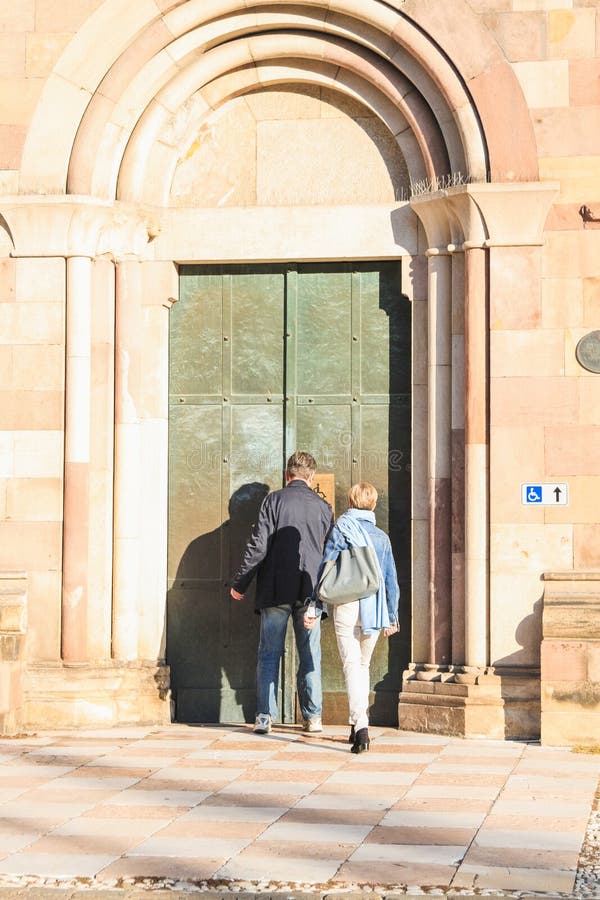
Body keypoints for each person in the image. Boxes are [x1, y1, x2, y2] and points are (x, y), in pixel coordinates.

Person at [230, 451, 333, 735]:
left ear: (287, 475)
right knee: (310, 653)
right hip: (311, 589)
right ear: (311, 478)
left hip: (275, 590)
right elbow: (330, 553)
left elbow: (258, 546)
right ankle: (313, 718)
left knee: (268, 653)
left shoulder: (273, 501)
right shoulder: (324, 507)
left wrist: (241, 583)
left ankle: (264, 716)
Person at [305, 481, 399, 754]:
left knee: (351, 665)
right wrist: (392, 616)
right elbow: (391, 579)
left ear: (349, 503)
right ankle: (357, 723)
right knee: (363, 666)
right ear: (373, 505)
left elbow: (326, 568)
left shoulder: (342, 529)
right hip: (374, 606)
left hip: (346, 604)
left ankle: (360, 727)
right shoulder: (382, 537)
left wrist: (314, 605)